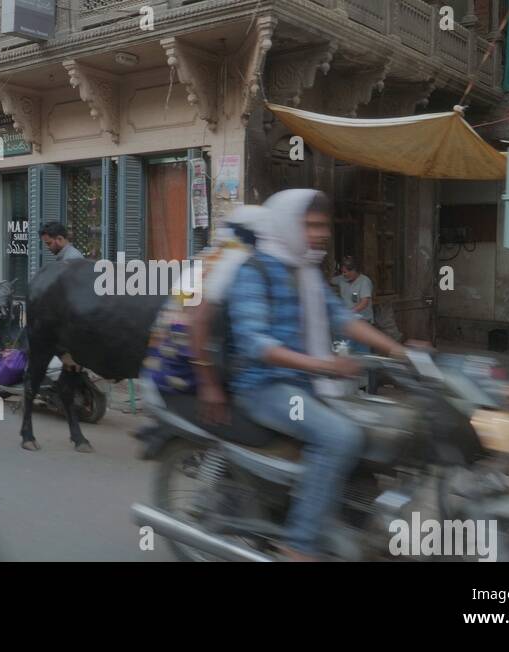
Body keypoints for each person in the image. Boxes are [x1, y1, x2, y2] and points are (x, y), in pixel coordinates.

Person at [226, 189, 407, 561]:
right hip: (264, 386)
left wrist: (396, 350)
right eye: (311, 225)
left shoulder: (306, 271)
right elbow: (256, 344)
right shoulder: (255, 271)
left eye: (323, 225)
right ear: (286, 224)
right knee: (339, 436)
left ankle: (343, 515)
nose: (321, 233)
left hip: (303, 384)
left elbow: (341, 318)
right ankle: (299, 543)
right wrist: (326, 366)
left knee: (383, 427)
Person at [142, 206, 269, 423]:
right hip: (188, 367)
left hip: (165, 364)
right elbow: (197, 321)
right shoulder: (236, 262)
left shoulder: (211, 257)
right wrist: (209, 383)